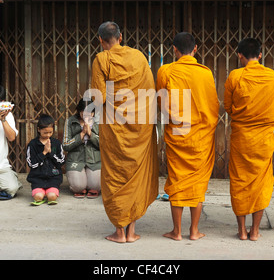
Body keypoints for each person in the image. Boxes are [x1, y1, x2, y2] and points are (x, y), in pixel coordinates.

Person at [91, 21, 159, 243]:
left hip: (114, 128)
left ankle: (119, 232)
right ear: (121, 37)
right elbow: (150, 90)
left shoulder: (101, 59)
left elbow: (98, 97)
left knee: (116, 175)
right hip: (139, 128)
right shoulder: (139, 57)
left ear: (100, 40)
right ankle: (131, 232)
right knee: (134, 175)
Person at [156, 32, 219, 241]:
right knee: (197, 183)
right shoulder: (206, 73)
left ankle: (177, 232)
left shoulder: (165, 71)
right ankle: (194, 231)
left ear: (174, 49)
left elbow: (162, 105)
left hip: (177, 134)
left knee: (177, 181)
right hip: (200, 136)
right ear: (196, 48)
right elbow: (213, 106)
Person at [224, 38, 274, 241]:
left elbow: (228, 107)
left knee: (240, 182)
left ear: (239, 55)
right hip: (264, 140)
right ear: (260, 55)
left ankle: (241, 231)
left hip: (242, 138)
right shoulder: (273, 78)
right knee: (261, 182)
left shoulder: (235, 76)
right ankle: (255, 231)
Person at [63, 98, 101, 199]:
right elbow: (65, 145)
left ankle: (89, 184)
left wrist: (90, 134)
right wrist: (81, 134)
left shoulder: (99, 122)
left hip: (94, 160)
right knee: (78, 187)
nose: (86, 116)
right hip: (76, 160)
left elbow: (105, 145)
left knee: (95, 186)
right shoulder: (70, 121)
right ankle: (81, 186)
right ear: (79, 111)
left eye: (89, 114)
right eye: (83, 113)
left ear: (93, 113)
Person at [26, 114, 65, 205]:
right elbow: (31, 164)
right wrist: (43, 153)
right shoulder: (33, 144)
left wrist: (51, 153)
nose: (48, 135)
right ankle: (41, 193)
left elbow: (61, 161)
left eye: (50, 132)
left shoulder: (56, 143)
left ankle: (49, 192)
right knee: (38, 197)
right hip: (37, 178)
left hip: (53, 178)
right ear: (39, 129)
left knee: (52, 197)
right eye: (45, 133)